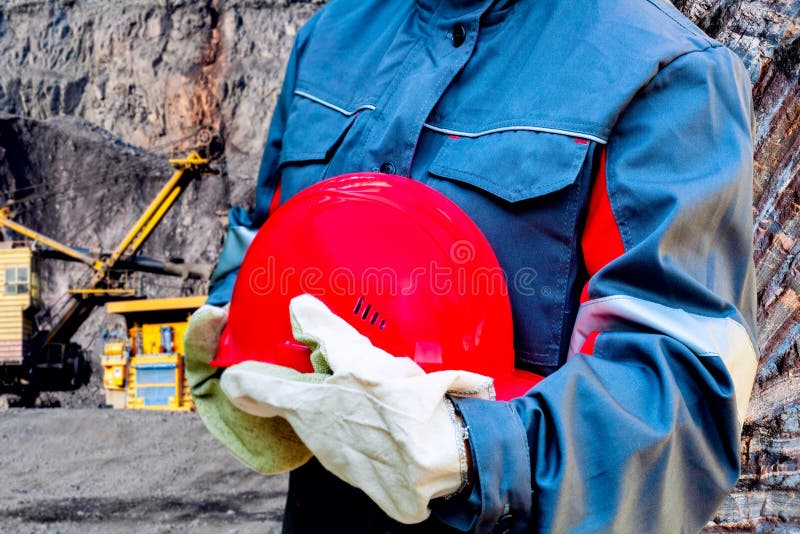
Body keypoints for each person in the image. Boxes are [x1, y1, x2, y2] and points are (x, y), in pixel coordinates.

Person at [186, 0, 759, 532]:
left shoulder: (663, 70)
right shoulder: (330, 37)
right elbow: (268, 233)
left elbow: (685, 398)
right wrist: (231, 318)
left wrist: (469, 451)